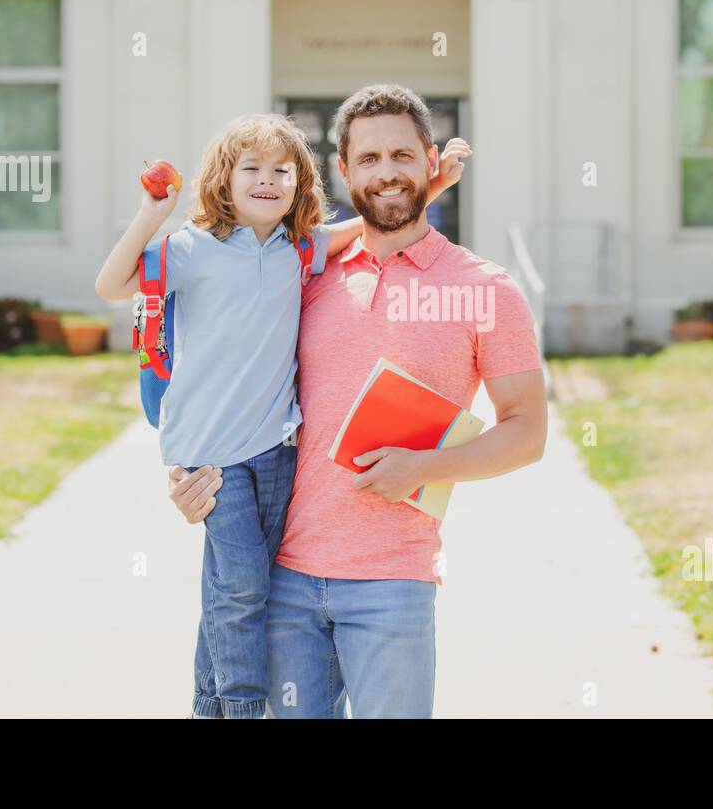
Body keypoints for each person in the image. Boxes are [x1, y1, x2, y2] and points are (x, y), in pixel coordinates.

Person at [167, 85, 546, 718]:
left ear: (431, 162)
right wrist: (195, 476)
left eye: (402, 154)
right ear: (343, 172)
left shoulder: (485, 289)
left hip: (393, 582)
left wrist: (423, 467)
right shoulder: (303, 271)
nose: (387, 171)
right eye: (368, 159)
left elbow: (528, 433)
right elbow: (222, 371)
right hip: (285, 578)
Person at [95, 113, 469, 718]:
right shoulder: (192, 248)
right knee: (240, 587)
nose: (267, 181)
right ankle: (240, 707)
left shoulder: (301, 250)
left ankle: (207, 705)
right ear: (225, 178)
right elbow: (113, 285)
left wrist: (432, 185)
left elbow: (367, 225)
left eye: (282, 171)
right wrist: (150, 215)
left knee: (240, 587)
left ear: (300, 185)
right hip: (210, 454)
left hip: (275, 450)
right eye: (252, 169)